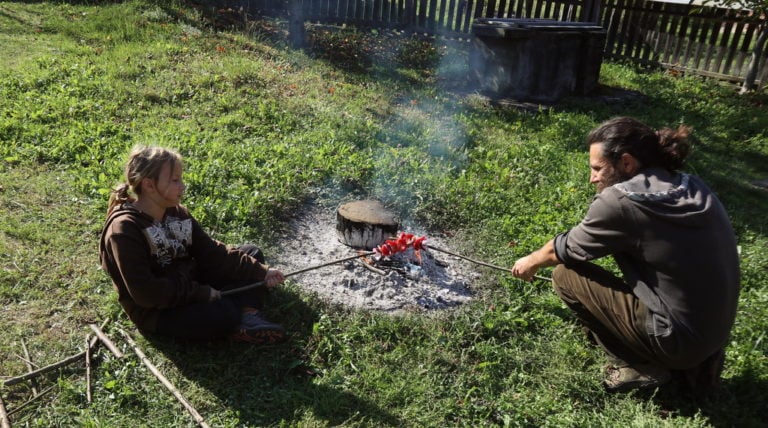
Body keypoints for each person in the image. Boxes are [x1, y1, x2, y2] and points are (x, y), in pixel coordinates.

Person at [511, 117, 739, 395]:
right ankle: (694, 364)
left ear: (627, 163)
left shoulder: (621, 202)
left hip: (680, 342)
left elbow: (563, 250)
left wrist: (530, 261)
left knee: (565, 276)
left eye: (597, 168)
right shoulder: (692, 185)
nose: (592, 178)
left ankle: (641, 365)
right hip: (713, 335)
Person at [99, 146, 287, 344]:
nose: (182, 186)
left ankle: (247, 316)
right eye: (174, 180)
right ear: (149, 185)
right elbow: (146, 292)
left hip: (189, 279)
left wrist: (262, 272)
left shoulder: (176, 212)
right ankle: (238, 317)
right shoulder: (124, 229)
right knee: (222, 313)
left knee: (252, 253)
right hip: (159, 309)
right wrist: (201, 293)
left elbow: (211, 252)